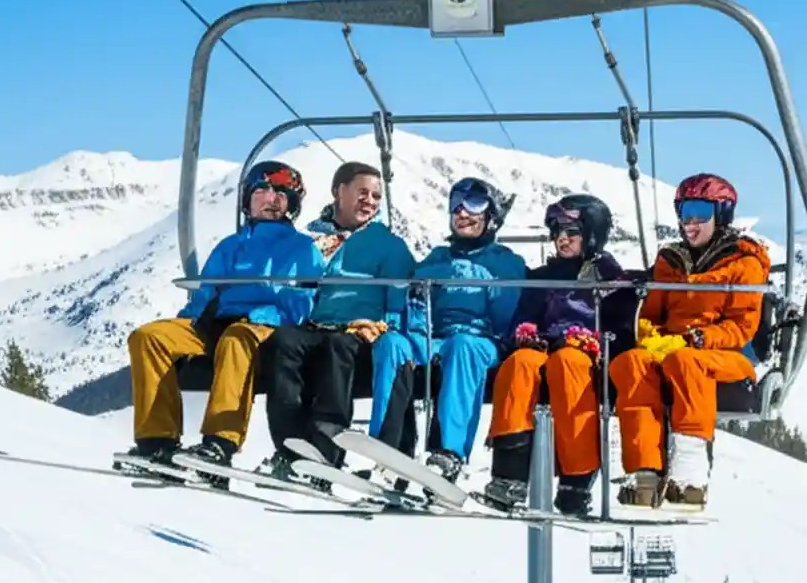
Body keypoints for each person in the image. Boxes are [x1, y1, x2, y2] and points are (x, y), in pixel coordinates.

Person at [116, 160, 323, 479]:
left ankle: (220, 444)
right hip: (216, 322)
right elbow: (206, 294)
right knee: (148, 337)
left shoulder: (302, 250)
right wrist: (190, 322)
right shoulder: (231, 246)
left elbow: (305, 301)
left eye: (282, 194)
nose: (272, 199)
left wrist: (262, 314)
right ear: (248, 200)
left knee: (236, 338)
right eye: (264, 191)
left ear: (292, 204)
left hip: (264, 327)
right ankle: (157, 442)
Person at [610, 173, 770, 509]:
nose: (690, 224)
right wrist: (650, 337)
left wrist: (701, 338)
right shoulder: (670, 262)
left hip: (726, 357)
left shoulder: (745, 263)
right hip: (673, 352)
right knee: (631, 363)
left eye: (700, 212)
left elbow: (742, 327)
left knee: (686, 361)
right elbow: (652, 313)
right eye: (684, 212)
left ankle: (690, 477)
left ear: (722, 213)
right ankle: (644, 475)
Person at [479, 194, 637, 516]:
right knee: (519, 364)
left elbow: (623, 328)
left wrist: (595, 342)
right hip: (543, 347)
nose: (560, 239)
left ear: (591, 234)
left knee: (569, 365)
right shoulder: (542, 277)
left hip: (583, 353)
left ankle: (575, 482)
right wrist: (524, 333)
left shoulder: (610, 280)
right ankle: (509, 475)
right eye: (556, 232)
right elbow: (522, 317)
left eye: (570, 232)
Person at [258, 161, 415, 478]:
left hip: (361, 330)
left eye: (374, 196)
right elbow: (294, 288)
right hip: (315, 325)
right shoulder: (313, 240)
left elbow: (401, 299)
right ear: (338, 191)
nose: (368, 201)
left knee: (336, 347)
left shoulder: (388, 246)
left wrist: (385, 327)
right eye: (362, 192)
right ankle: (289, 445)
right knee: (284, 343)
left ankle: (327, 449)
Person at [368, 177, 527, 484]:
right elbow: (415, 305)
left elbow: (507, 317)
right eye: (456, 204)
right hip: (434, 337)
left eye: (475, 204)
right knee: (392, 344)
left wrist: (481, 286)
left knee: (462, 346)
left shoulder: (504, 263)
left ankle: (449, 453)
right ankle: (387, 448)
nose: (462, 212)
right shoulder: (437, 258)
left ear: (491, 216)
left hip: (481, 339)